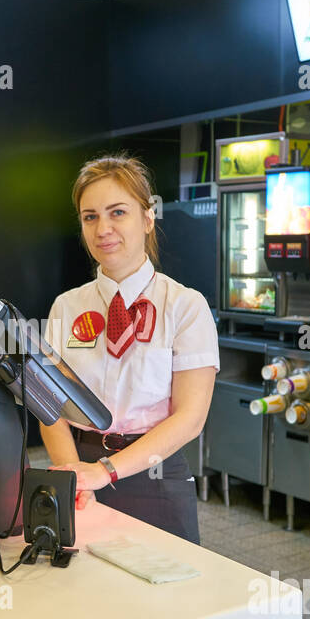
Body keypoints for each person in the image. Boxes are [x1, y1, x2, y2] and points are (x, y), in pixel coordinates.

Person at [40, 155, 219, 544]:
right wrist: (73, 471)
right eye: (90, 217)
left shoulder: (185, 306)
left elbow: (190, 417)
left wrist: (106, 470)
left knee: (169, 601)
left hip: (155, 477)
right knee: (86, 595)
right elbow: (47, 403)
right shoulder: (66, 307)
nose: (103, 229)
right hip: (79, 472)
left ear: (148, 217)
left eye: (117, 212)